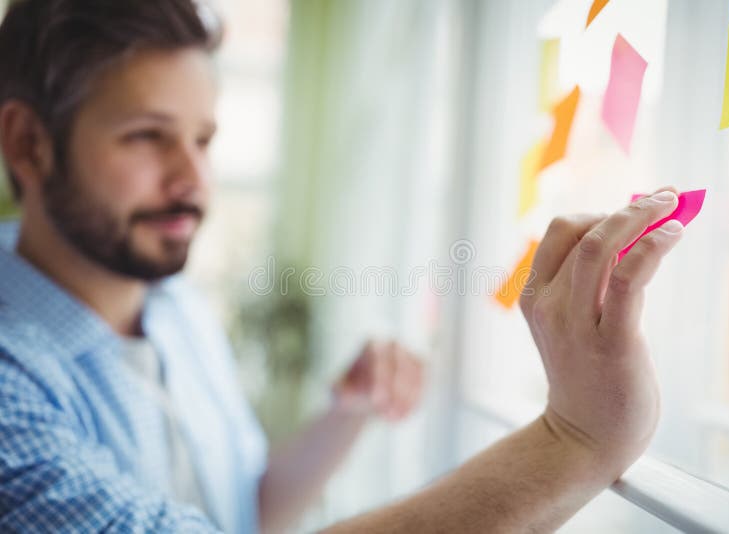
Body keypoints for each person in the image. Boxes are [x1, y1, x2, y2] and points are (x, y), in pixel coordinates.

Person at [0, 1, 685, 532]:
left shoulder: (171, 301)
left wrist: (346, 412)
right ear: (29, 144)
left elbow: (246, 510)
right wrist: (575, 441)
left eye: (203, 139)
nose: (193, 180)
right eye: (147, 136)